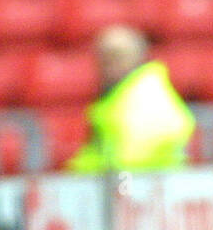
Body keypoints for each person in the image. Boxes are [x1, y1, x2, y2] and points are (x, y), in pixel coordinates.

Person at [66, 26, 196, 173]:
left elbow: (127, 166)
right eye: (101, 56)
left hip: (145, 189)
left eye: (115, 55)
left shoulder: (146, 101)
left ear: (138, 56)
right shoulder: (120, 96)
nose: (106, 64)